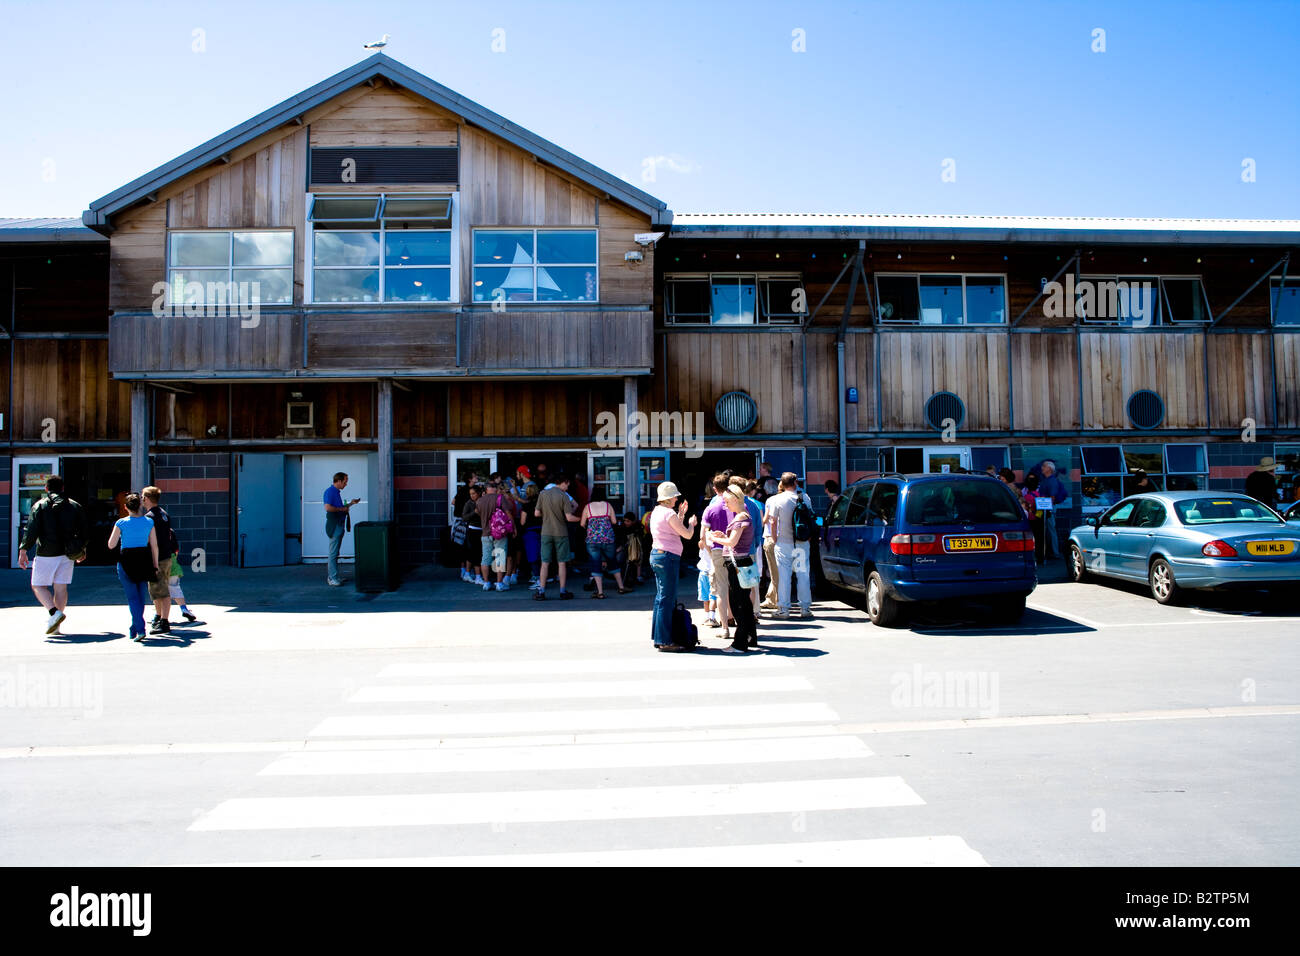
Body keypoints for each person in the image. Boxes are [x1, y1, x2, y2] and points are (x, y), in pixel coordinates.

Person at [16, 474, 87, 637]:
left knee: (38, 586)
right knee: (60, 587)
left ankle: (54, 613)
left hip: (46, 553)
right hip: (68, 553)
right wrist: (82, 549)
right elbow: (84, 530)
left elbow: (31, 530)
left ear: (46, 489)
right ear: (62, 488)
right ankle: (56, 626)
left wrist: (23, 550)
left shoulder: (40, 505)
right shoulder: (74, 506)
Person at [709, 483, 759, 653]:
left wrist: (714, 538)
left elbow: (732, 543)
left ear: (735, 500)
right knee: (743, 603)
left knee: (739, 604)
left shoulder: (740, 517)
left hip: (737, 563)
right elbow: (733, 539)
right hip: (740, 562)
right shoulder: (742, 516)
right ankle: (750, 637)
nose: (725, 505)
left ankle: (740, 643)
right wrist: (723, 536)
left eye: (727, 502)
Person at [649, 482, 697, 651]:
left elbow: (673, 529)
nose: (677, 498)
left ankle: (658, 636)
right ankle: (664, 640)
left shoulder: (658, 511)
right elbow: (687, 534)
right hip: (668, 557)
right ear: (669, 499)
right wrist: (691, 523)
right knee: (666, 599)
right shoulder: (669, 513)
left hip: (658, 555)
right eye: (675, 496)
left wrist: (681, 515)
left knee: (661, 598)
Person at [106, 493, 160, 643]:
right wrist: (155, 564)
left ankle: (140, 628)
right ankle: (135, 626)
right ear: (140, 506)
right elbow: (154, 545)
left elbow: (111, 545)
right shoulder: (149, 522)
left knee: (132, 597)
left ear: (125, 507)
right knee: (140, 596)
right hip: (144, 558)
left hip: (127, 560)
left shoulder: (121, 523)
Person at [142, 486, 192, 633]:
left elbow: (150, 540)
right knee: (159, 590)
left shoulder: (150, 517)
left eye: (143, 497)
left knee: (161, 591)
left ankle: (164, 621)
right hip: (166, 556)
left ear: (148, 499)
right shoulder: (164, 514)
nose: (142, 500)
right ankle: (160, 617)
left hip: (157, 558)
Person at [766, 472, 813, 619]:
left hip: (783, 543)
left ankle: (784, 609)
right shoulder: (804, 497)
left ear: (782, 483)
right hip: (801, 543)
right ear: (795, 483)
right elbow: (811, 518)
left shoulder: (777, 499)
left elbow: (772, 522)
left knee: (784, 576)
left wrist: (775, 539)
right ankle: (805, 608)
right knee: (803, 575)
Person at [534, 474, 579, 600]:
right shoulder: (564, 496)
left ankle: (541, 591)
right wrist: (582, 519)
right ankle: (563, 591)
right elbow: (569, 517)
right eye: (567, 485)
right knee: (562, 563)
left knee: (545, 563)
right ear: (563, 482)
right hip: (561, 533)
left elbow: (536, 513)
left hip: (546, 532)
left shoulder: (543, 494)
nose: (567, 488)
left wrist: (547, 515)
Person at [700, 474, 733, 641]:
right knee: (738, 589)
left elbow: (703, 536)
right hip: (736, 550)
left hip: (718, 551)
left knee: (721, 590)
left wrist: (710, 551)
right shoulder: (737, 505)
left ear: (714, 489)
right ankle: (739, 622)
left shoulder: (710, 508)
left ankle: (725, 627)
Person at [580, 487, 626, 598]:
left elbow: (582, 523)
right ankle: (621, 587)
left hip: (593, 541)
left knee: (596, 564)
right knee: (612, 561)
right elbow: (614, 521)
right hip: (608, 539)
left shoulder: (588, 507)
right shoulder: (608, 505)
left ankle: (600, 592)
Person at [477, 479, 518, 591]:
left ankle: (486, 583)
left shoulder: (479, 501)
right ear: (495, 488)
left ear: (486, 489)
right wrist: (513, 528)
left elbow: (479, 513)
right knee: (499, 557)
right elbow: (509, 514)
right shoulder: (499, 498)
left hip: (485, 533)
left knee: (485, 559)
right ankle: (499, 584)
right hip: (499, 533)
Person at [323, 472, 361, 586]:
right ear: (338, 481)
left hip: (338, 525)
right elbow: (328, 507)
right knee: (333, 553)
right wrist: (342, 510)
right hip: (335, 526)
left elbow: (341, 508)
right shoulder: (330, 492)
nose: (346, 484)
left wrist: (351, 504)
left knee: (335, 553)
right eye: (345, 481)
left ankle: (334, 577)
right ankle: (332, 578)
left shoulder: (336, 492)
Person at [1035, 460, 1069, 561]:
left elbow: (1052, 497)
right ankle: (1050, 551)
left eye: (1044, 466)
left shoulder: (1052, 481)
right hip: (1043, 508)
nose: (1042, 468)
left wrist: (1045, 506)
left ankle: (1055, 552)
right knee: (1047, 529)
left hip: (1048, 508)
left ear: (1049, 469)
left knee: (1050, 529)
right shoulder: (1046, 480)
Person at [460, 484, 484, 584]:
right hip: (472, 529)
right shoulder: (468, 503)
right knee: (475, 553)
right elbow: (464, 518)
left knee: (474, 553)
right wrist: (474, 512)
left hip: (482, 529)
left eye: (474, 493)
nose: (472, 496)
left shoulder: (482, 501)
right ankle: (477, 576)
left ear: (478, 493)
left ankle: (467, 573)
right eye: (470, 494)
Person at [1022, 473, 1046, 565]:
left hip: (1029, 520)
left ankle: (1031, 557)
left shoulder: (1026, 496)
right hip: (1038, 520)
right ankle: (1040, 557)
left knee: (1030, 540)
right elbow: (1041, 510)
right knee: (1039, 539)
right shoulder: (1040, 495)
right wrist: (1038, 516)